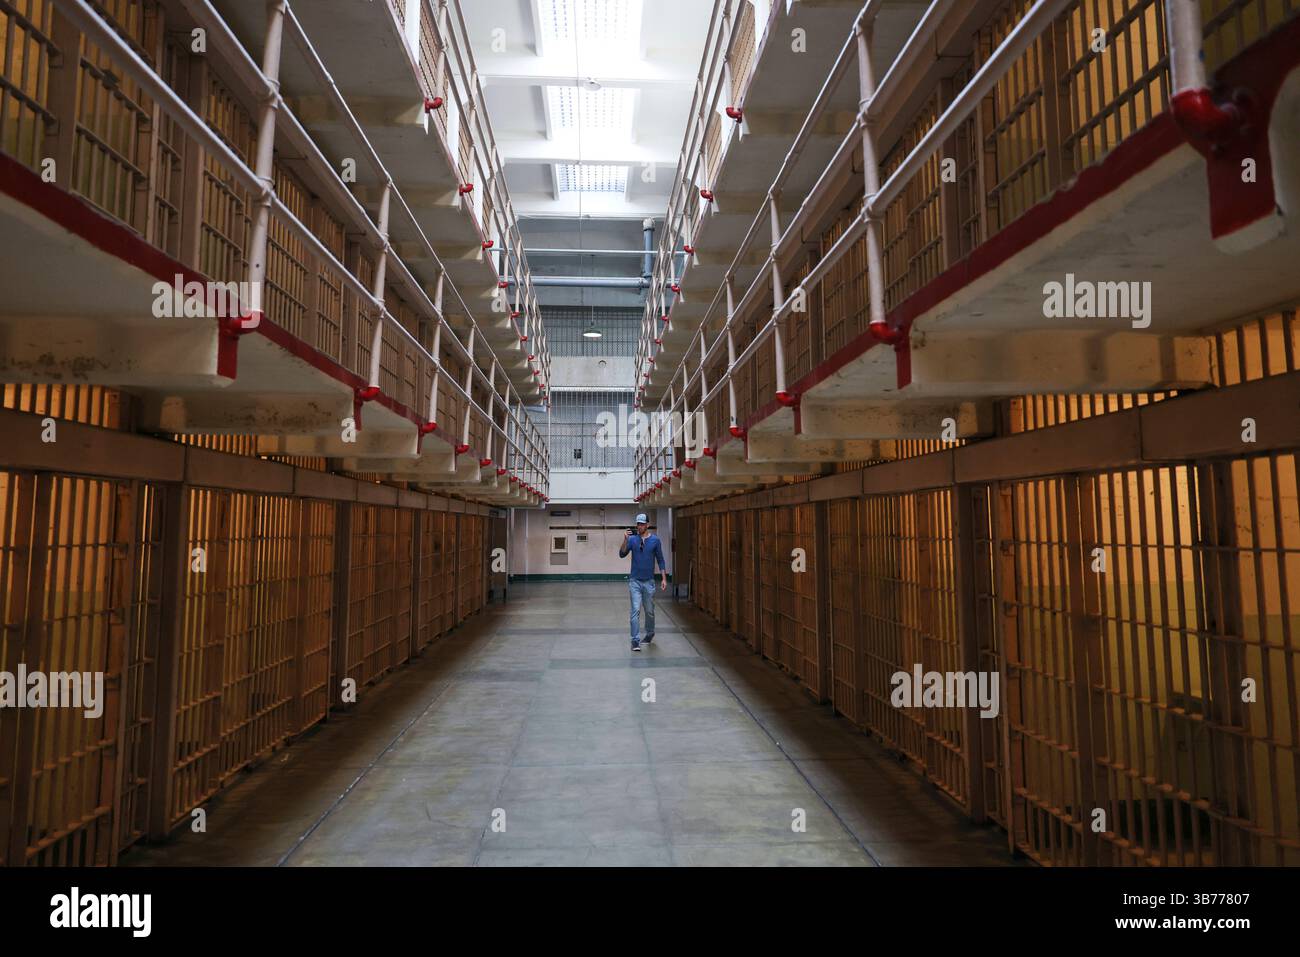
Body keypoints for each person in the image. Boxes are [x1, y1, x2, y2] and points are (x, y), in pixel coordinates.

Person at [619, 513, 667, 652]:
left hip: (649, 582)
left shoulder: (655, 541)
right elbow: (621, 554)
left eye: (641, 524)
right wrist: (625, 540)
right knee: (635, 611)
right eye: (637, 524)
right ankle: (635, 640)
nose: (639, 526)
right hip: (635, 581)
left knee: (649, 611)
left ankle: (650, 633)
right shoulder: (633, 540)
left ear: (647, 525)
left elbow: (661, 560)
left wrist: (663, 578)